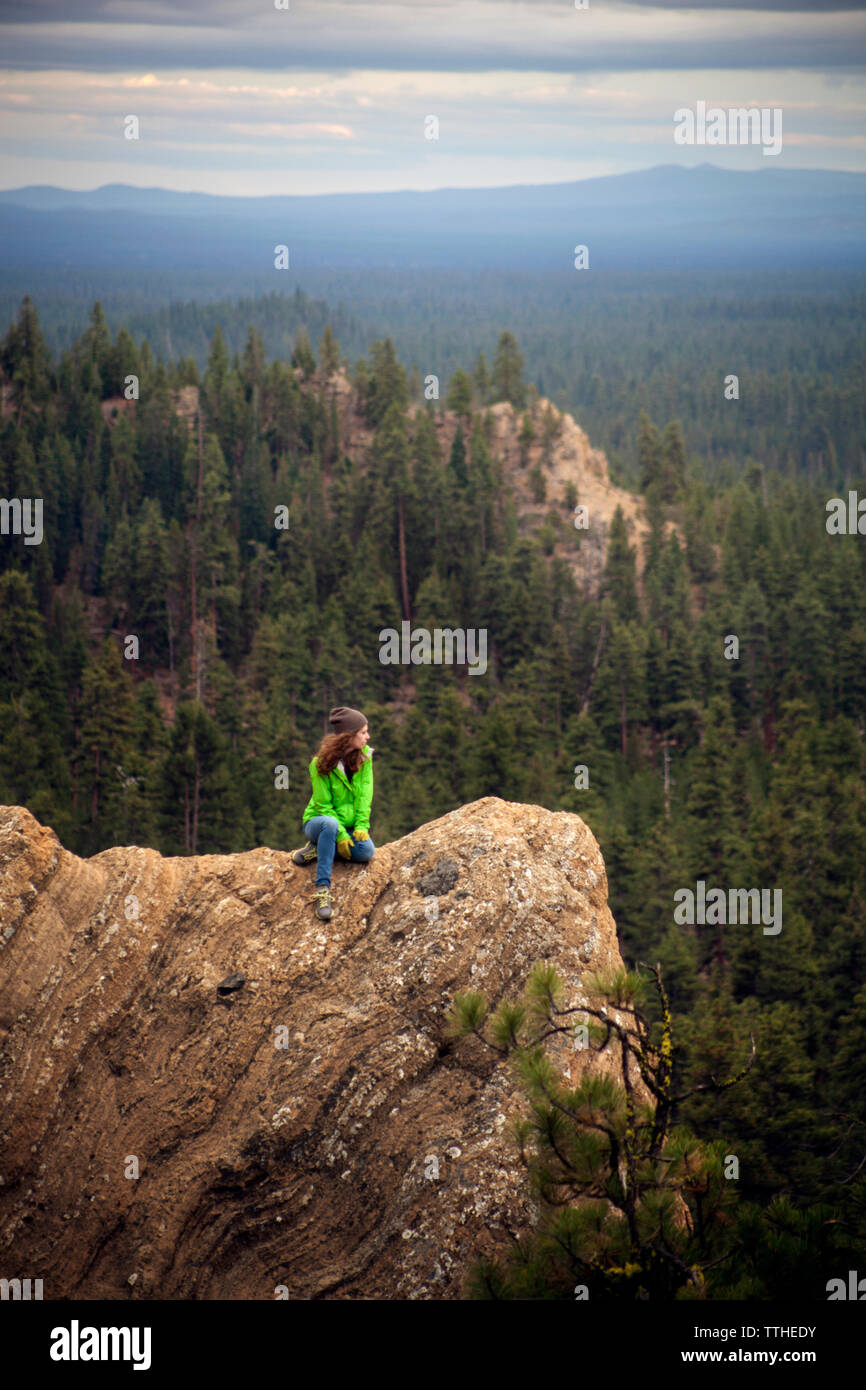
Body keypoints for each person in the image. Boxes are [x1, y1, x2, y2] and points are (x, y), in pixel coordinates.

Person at [292, 706, 375, 920]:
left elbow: (365, 796)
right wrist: (341, 835)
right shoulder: (319, 764)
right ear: (349, 736)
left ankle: (320, 850)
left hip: (346, 826)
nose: (368, 736)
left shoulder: (365, 759)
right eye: (363, 732)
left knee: (366, 852)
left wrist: (361, 826)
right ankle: (322, 890)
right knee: (329, 824)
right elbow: (323, 805)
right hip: (318, 822)